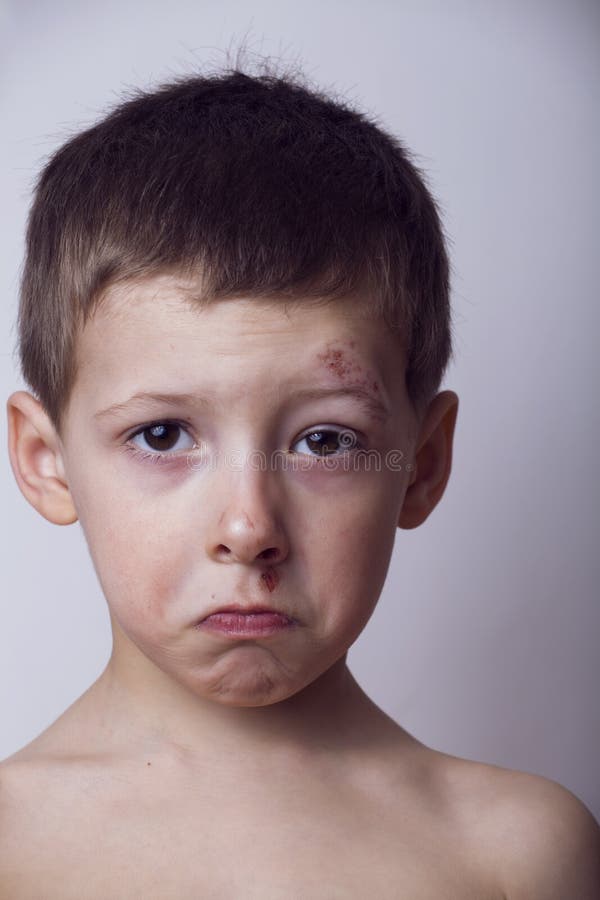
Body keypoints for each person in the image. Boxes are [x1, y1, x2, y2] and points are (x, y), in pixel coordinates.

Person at [2, 63, 599, 898]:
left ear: (421, 465)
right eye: (163, 434)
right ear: (44, 459)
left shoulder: (517, 855)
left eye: (324, 441)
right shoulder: (12, 849)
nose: (248, 528)